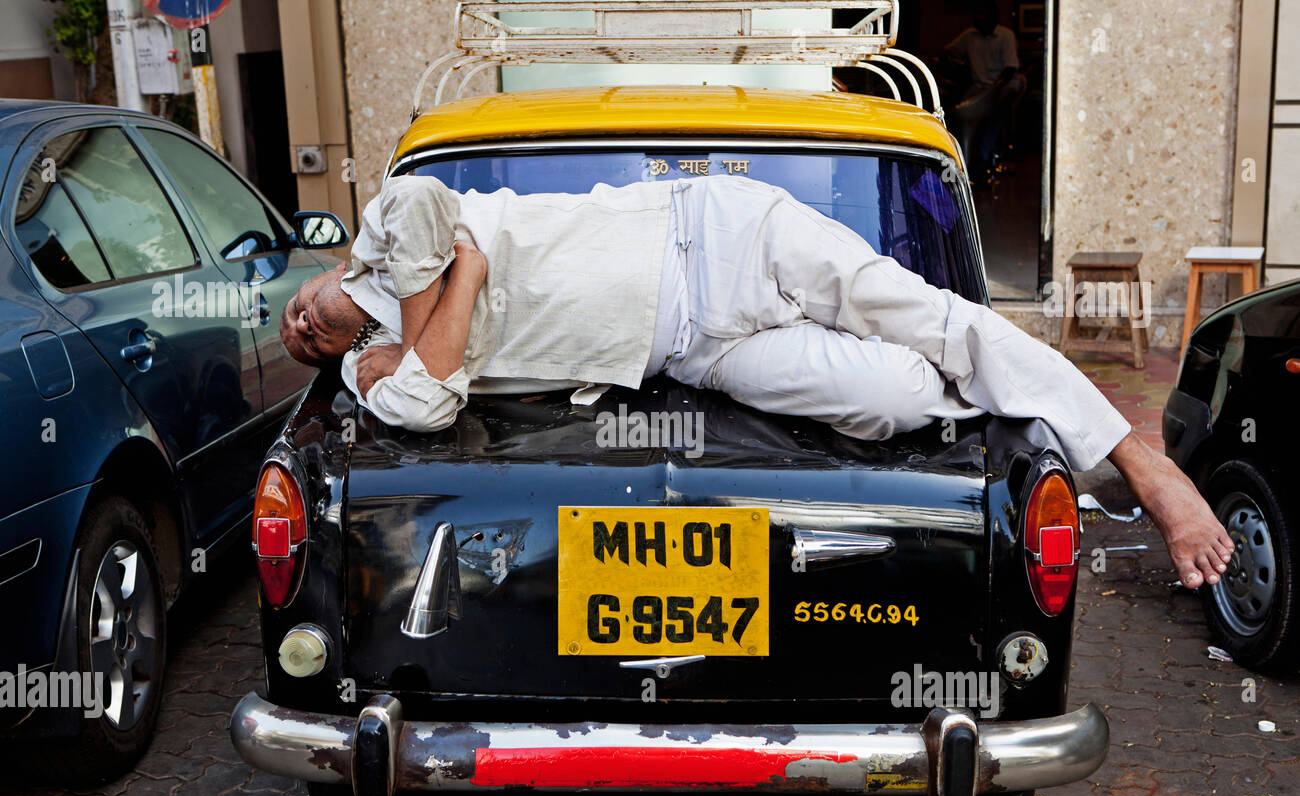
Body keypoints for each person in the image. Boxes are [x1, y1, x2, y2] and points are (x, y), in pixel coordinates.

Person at [281, 172, 1235, 591]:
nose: (301, 324)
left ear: (325, 270)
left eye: (300, 306)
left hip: (720, 238)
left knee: (939, 322)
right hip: (693, 354)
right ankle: (1038, 396)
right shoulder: (381, 369)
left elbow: (417, 216)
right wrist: (469, 283)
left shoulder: (383, 232)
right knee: (895, 399)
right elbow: (416, 406)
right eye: (302, 345)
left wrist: (424, 335)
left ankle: (1143, 467)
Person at [944, 0, 1026, 176]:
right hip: (979, 86)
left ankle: (987, 156)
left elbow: (1010, 69)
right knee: (960, 112)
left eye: (984, 13)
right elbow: (949, 52)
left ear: (994, 17)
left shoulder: (1006, 35)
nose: (980, 17)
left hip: (1004, 84)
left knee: (995, 113)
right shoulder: (969, 36)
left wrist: (993, 92)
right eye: (977, 13)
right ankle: (962, 159)